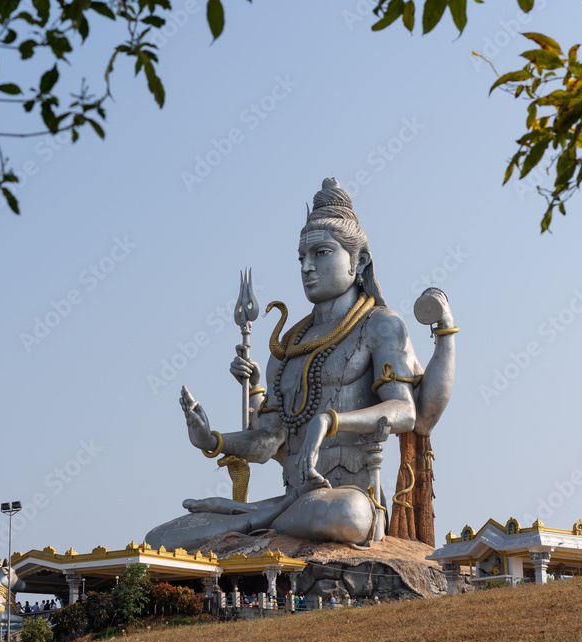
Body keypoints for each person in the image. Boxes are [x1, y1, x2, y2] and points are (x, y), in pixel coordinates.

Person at [146, 178, 456, 551]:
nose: (307, 267)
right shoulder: (288, 346)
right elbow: (268, 441)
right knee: (162, 537)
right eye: (301, 258)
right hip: (295, 501)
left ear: (359, 262)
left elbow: (406, 413)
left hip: (349, 496)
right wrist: (212, 439)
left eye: (321, 253)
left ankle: (255, 520)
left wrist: (329, 420)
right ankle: (260, 518)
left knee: (346, 514)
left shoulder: (378, 325)